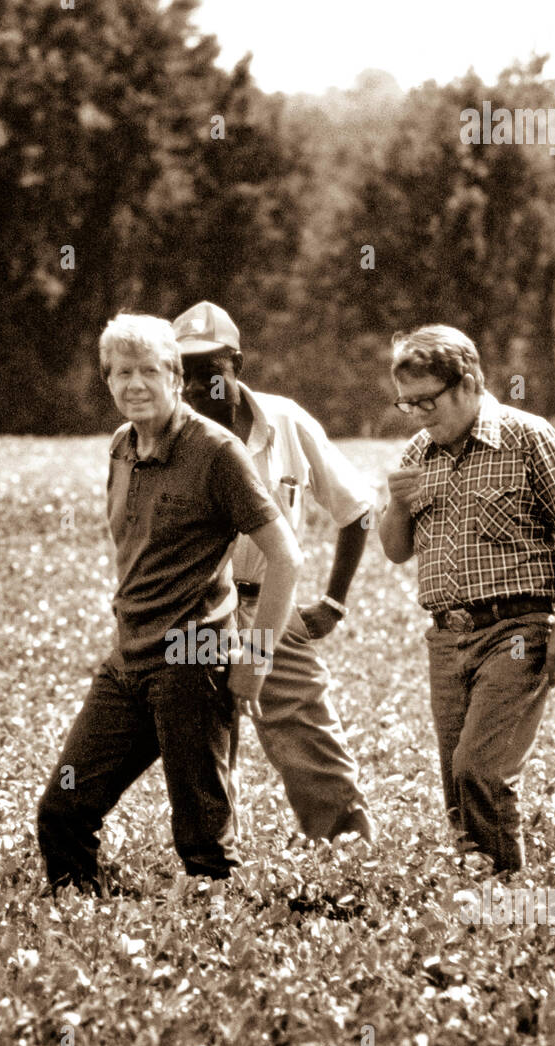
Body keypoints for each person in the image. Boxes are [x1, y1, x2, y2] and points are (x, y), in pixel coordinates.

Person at [36, 313, 302, 895]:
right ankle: (87, 926)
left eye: (149, 371)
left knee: (204, 841)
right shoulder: (121, 446)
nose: (135, 384)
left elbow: (286, 556)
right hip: (129, 657)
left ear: (176, 377)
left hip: (193, 656)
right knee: (62, 812)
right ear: (107, 381)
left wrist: (256, 657)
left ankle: (219, 936)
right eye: (121, 372)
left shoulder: (216, 452)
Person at [378, 324, 555, 873]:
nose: (418, 414)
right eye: (408, 404)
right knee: (455, 780)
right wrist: (397, 505)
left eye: (427, 400)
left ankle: (505, 895)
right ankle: (477, 892)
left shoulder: (528, 437)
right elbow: (396, 550)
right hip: (446, 637)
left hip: (516, 629)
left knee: (481, 768)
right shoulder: (418, 452)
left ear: (469, 383)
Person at [173, 301, 376, 843]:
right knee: (203, 743)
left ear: (237, 363)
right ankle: (216, 863)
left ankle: (346, 851)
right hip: (197, 611)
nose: (194, 388)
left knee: (308, 735)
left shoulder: (285, 421)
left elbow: (357, 509)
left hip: (270, 602)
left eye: (209, 372)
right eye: (182, 374)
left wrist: (333, 603)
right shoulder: (170, 432)